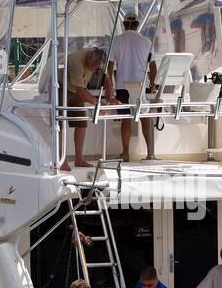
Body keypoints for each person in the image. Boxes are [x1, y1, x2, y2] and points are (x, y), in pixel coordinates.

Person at [108, 13, 159, 161]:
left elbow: (109, 68)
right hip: (142, 85)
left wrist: (109, 86)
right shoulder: (146, 42)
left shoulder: (116, 41)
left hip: (123, 86)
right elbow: (153, 67)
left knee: (126, 119)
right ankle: (151, 153)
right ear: (137, 25)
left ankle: (125, 154)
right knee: (144, 117)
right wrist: (154, 84)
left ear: (124, 25)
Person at [60, 46, 108, 170]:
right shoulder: (77, 63)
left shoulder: (96, 57)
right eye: (94, 66)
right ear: (89, 57)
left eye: (98, 67)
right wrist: (98, 104)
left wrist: (110, 90)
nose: (94, 70)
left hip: (78, 89)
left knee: (81, 124)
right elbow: (80, 91)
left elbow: (105, 75)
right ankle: (61, 160)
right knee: (59, 125)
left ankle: (79, 160)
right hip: (62, 88)